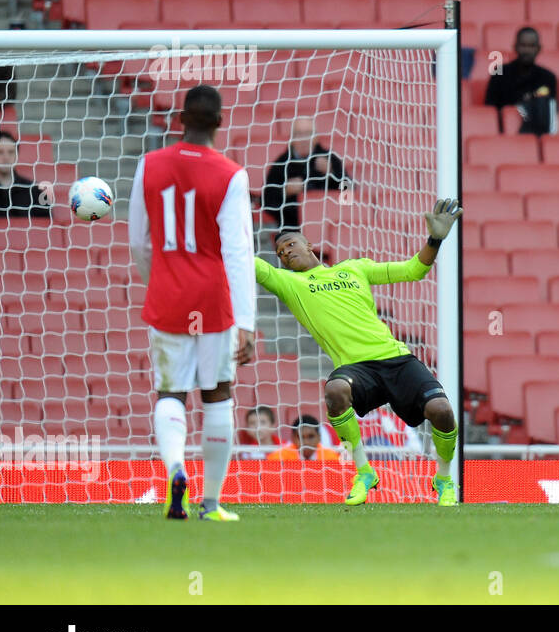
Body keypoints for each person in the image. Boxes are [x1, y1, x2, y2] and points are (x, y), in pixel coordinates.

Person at [254, 198, 463, 506]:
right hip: (356, 369)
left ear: (308, 244)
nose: (286, 253)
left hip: (396, 358)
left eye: (290, 245)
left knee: (442, 412)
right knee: (336, 390)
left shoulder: (355, 268)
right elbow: (246, 260)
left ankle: (444, 478)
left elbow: (414, 270)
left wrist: (435, 239)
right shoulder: (288, 283)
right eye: (281, 253)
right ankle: (364, 472)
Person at [127, 84, 256, 522]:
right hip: (213, 302)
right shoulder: (231, 175)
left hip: (169, 297)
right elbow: (238, 252)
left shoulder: (148, 166)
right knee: (218, 392)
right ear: (219, 122)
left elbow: (138, 242)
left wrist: (158, 280)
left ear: (179, 119)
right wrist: (247, 321)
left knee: (171, 391)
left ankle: (176, 468)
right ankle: (213, 504)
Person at [262, 116, 350, 236]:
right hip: (293, 233)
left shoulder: (330, 160)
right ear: (292, 138)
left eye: (308, 134)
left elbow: (349, 194)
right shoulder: (281, 165)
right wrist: (285, 191)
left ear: (316, 137)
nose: (304, 139)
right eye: (299, 134)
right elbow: (267, 203)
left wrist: (332, 174)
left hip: (329, 231)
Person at [484, 27, 559, 135]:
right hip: (504, 134)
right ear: (515, 47)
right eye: (523, 45)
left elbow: (550, 113)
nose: (527, 50)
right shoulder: (499, 73)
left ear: (539, 48)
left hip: (537, 134)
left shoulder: (548, 77)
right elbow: (490, 110)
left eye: (531, 46)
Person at [0, 131, 51, 217]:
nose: (6, 157)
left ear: (16, 155)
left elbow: (46, 225)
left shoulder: (35, 191)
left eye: (10, 152)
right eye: (0, 152)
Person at [268, 414, 340, 462]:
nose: (306, 442)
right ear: (293, 438)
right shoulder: (278, 458)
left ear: (319, 437)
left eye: (311, 436)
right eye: (300, 437)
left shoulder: (331, 457)